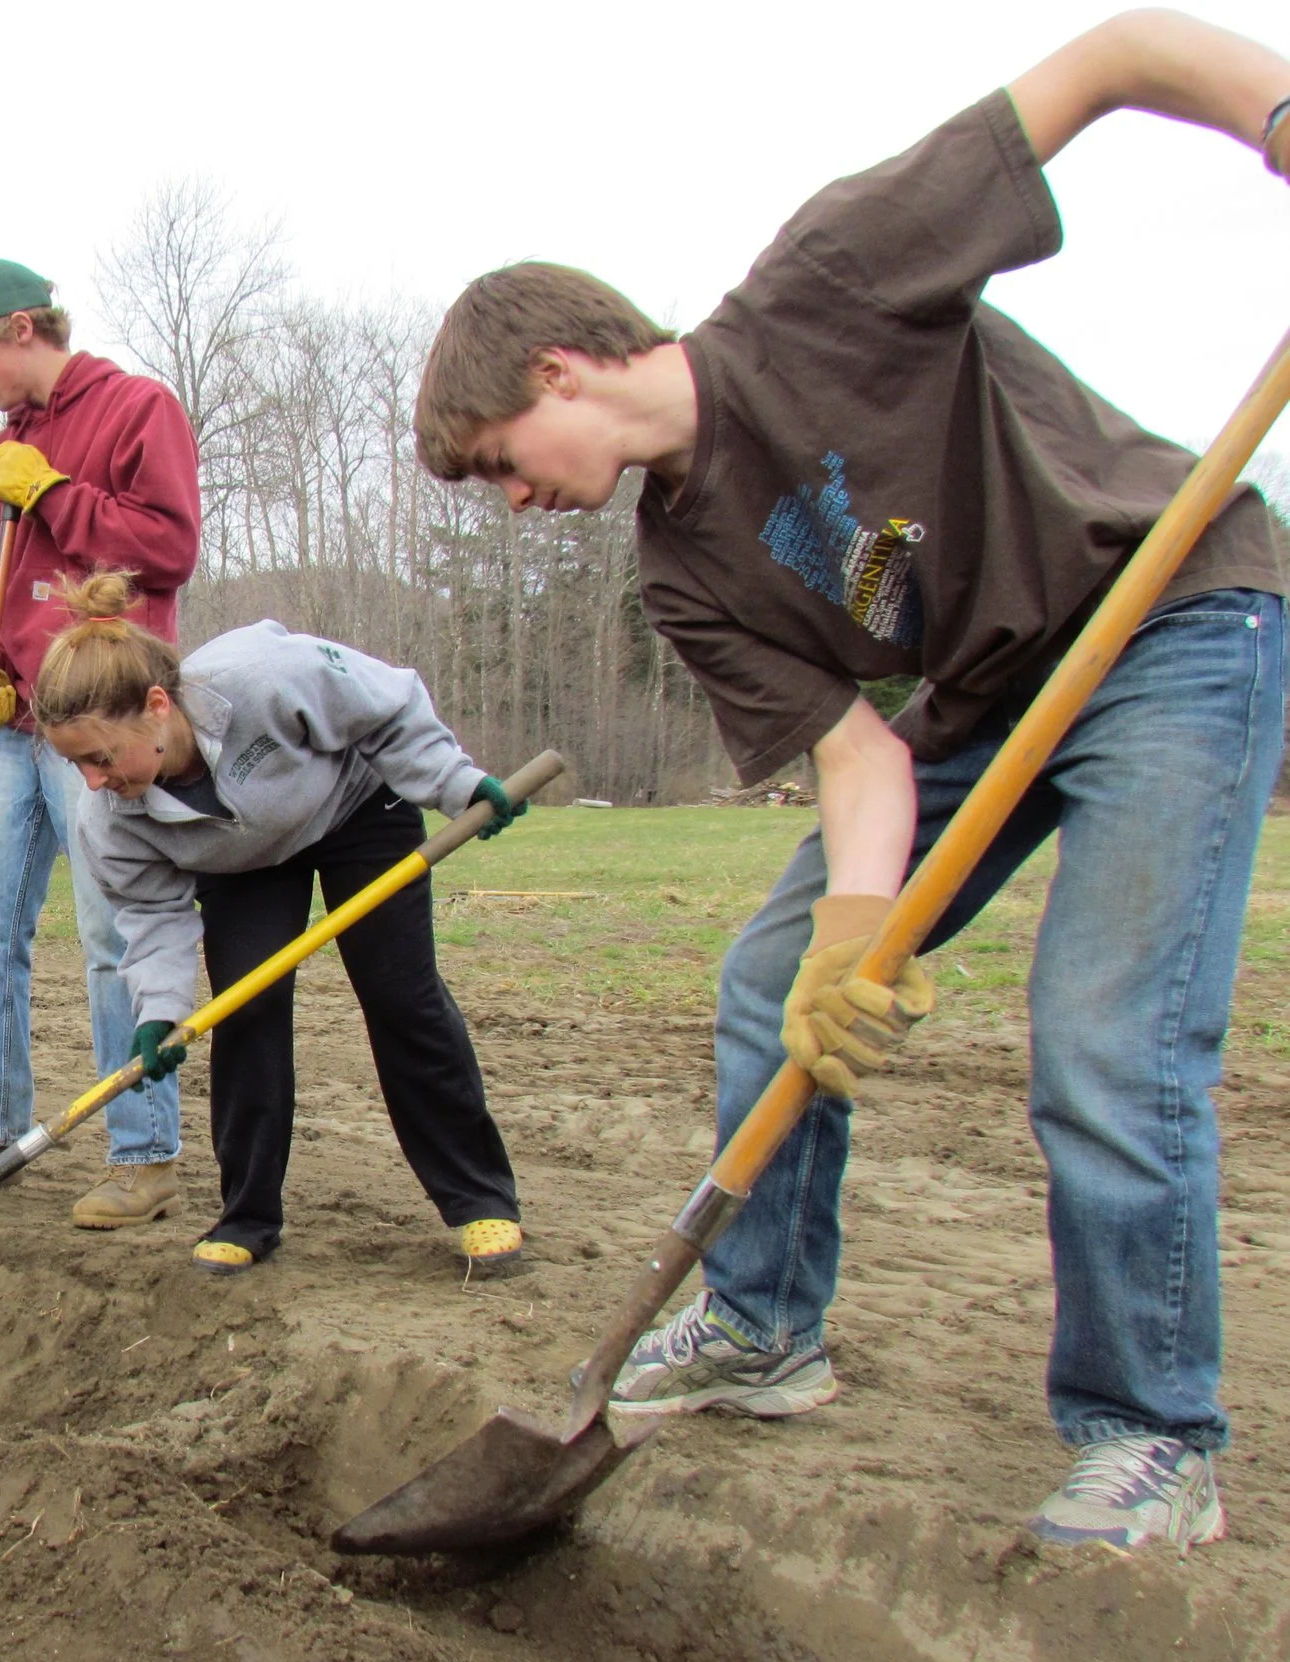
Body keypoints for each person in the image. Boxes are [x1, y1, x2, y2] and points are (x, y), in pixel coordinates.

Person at [412, 11, 1290, 1552]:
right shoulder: (681, 570)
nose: (510, 501)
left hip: (1173, 614)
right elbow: (854, 747)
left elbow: (1114, 58)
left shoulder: (830, 278)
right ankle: (764, 1325)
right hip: (992, 691)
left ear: (556, 368)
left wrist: (1276, 120)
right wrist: (853, 927)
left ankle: (1152, 1434)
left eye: (494, 458)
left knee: (1105, 1031)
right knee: (775, 969)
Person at [34, 571, 529, 1276]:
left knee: (401, 998)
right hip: (244, 862)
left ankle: (480, 1199)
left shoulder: (263, 678)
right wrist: (161, 1009)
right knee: (248, 1010)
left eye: (99, 756)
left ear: (156, 707)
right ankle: (249, 1214)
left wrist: (456, 782)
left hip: (357, 809)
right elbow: (152, 913)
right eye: (74, 762)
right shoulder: (110, 818)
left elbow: (387, 706)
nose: (90, 780)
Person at [0, 258, 199, 1227]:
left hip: (100, 728)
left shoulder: (135, 411)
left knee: (114, 939)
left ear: (26, 328)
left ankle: (144, 1152)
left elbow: (168, 547)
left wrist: (57, 498)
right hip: (12, 731)